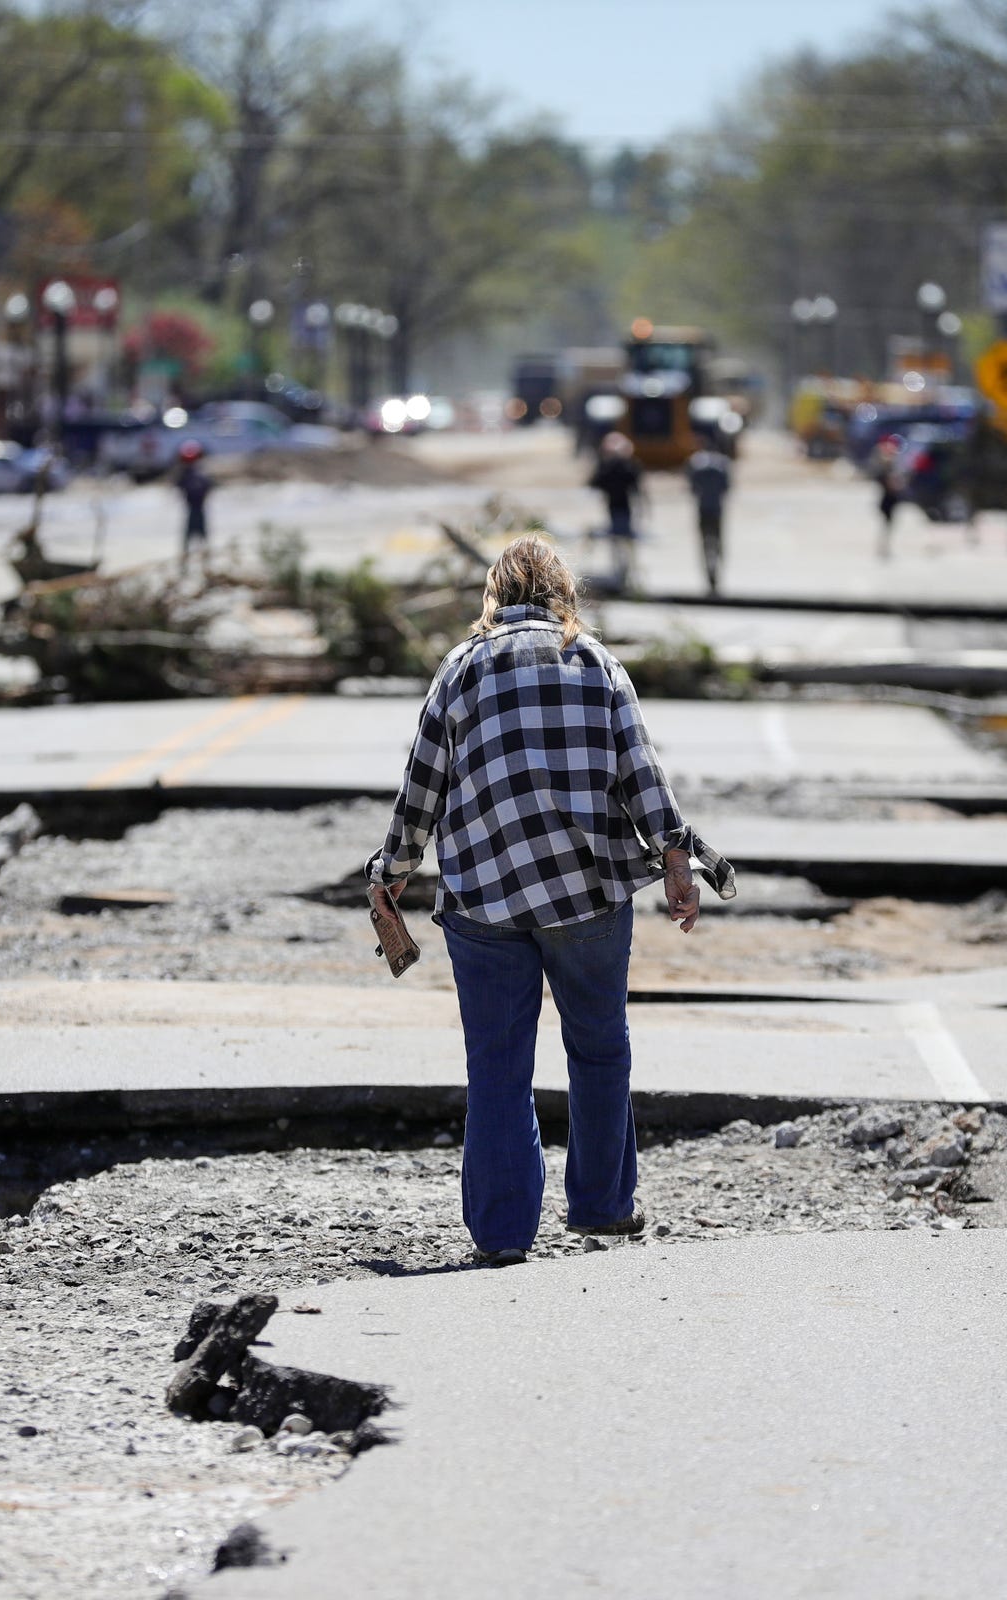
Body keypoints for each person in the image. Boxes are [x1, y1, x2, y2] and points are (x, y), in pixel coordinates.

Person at [368, 537, 734, 1265]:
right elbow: (640, 772)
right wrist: (677, 862)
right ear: (563, 590)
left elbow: (423, 785)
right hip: (587, 890)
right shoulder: (595, 661)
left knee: (497, 1064)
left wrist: (394, 868)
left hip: (484, 897)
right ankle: (602, 1207)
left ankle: (503, 1235)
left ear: (495, 593)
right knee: (599, 1049)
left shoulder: (461, 666)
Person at [588, 431, 642, 588]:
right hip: (622, 509)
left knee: (620, 543)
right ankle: (624, 574)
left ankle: (622, 575)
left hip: (618, 509)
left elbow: (595, 482)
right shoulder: (626, 466)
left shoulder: (613, 467)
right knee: (623, 543)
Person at [685, 437, 732, 597]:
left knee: (705, 542)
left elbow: (692, 488)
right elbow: (727, 487)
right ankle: (716, 570)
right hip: (716, 508)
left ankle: (709, 571)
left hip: (703, 508)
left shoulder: (696, 463)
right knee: (717, 540)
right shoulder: (722, 464)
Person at [174, 439, 214, 558]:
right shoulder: (189, 474)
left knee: (197, 535)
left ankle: (201, 557)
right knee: (194, 535)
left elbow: (208, 487)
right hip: (194, 508)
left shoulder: (196, 474)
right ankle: (192, 557)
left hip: (196, 508)